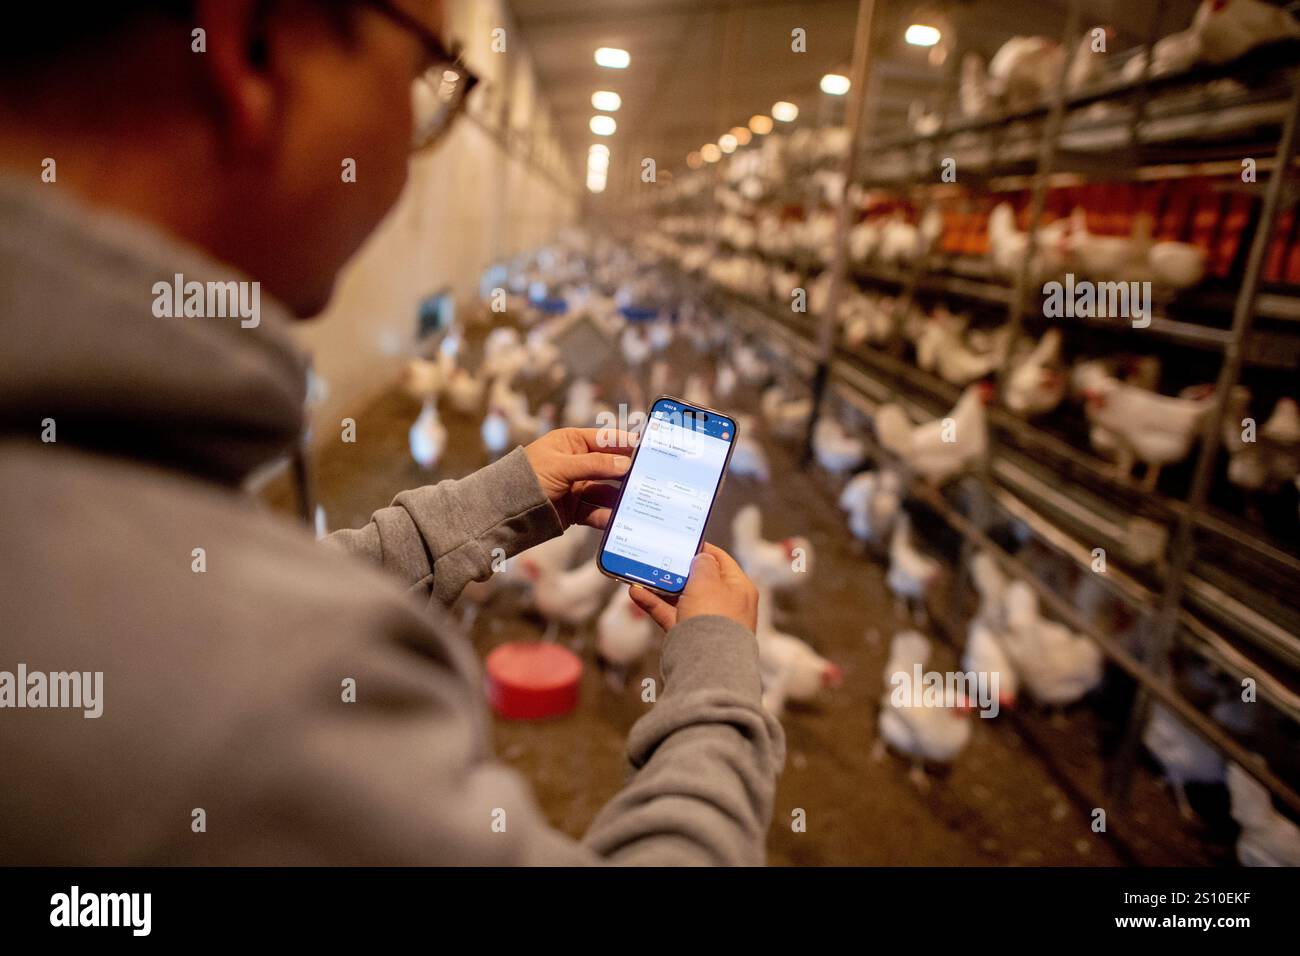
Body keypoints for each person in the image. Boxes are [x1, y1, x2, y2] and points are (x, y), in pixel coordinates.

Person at [0, 0, 783, 864]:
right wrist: (718, 676)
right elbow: (236, 640)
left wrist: (495, 502)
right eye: (420, 81)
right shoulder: (258, 703)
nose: (415, 139)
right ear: (251, 48)